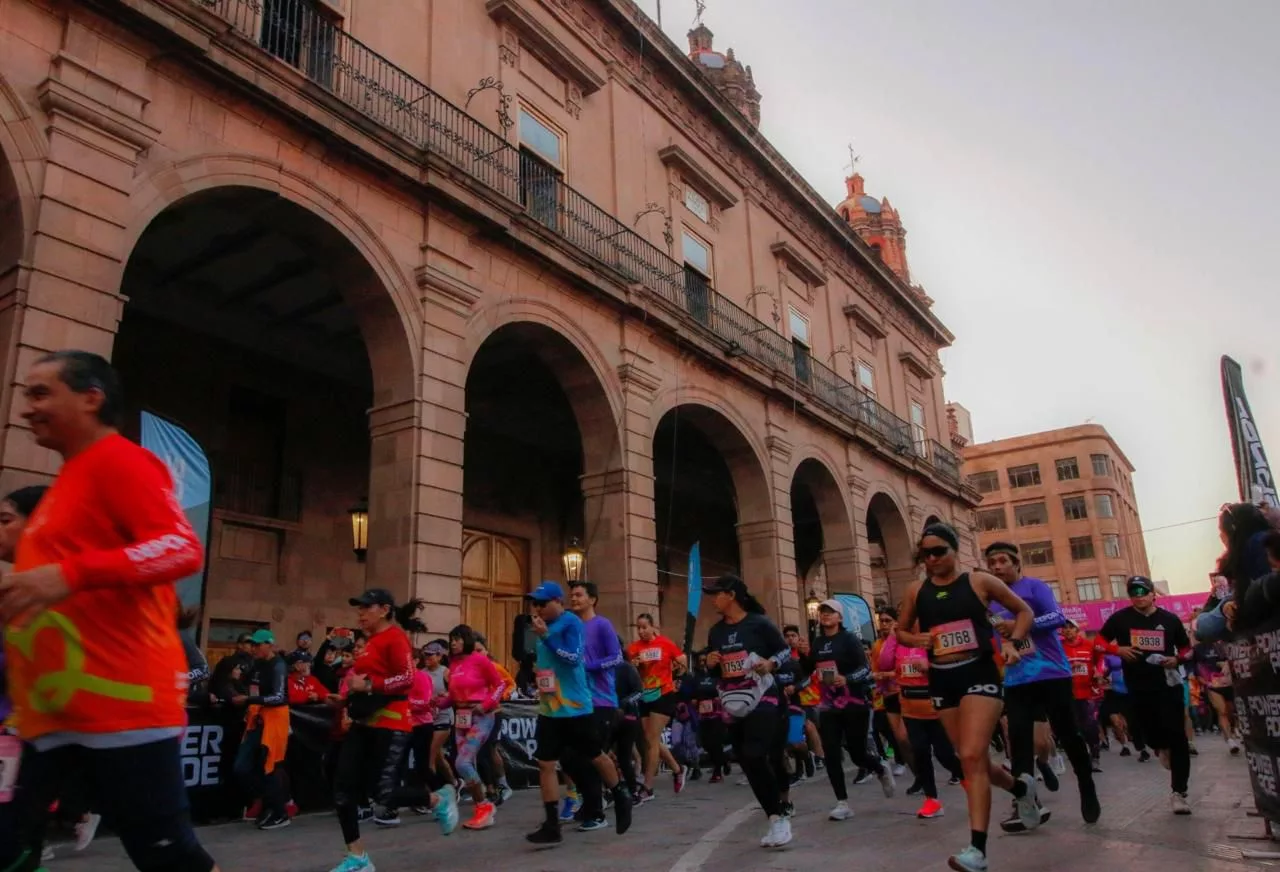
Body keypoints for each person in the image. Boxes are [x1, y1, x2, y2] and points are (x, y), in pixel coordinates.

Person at [0, 350, 221, 872]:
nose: (27, 407)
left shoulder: (120, 461)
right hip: (52, 714)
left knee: (170, 858)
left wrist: (67, 575)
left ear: (90, 398)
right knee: (9, 850)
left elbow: (180, 548)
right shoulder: (69, 481)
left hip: (122, 707)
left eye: (41, 393)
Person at [896, 522, 1036, 872]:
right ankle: (1021, 789)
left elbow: (1024, 611)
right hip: (941, 678)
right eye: (925, 554)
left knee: (972, 755)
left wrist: (1013, 642)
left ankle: (977, 850)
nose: (931, 559)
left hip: (979, 673)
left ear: (954, 550)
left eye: (938, 551)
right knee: (970, 760)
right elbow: (901, 631)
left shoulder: (979, 582)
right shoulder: (916, 590)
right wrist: (915, 640)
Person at [329, 589, 457, 872]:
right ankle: (357, 857)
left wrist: (369, 686)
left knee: (383, 793)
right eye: (359, 608)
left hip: (390, 725)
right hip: (363, 724)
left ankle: (436, 798)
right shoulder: (371, 642)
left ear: (384, 609)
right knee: (343, 790)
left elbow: (407, 678)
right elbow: (366, 682)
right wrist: (345, 700)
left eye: (366, 608)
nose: (361, 613)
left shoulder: (395, 638)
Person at [984, 541, 1100, 831]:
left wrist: (1020, 625)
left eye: (1002, 561)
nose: (997, 567)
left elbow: (1057, 617)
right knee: (1018, 741)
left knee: (1068, 733)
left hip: (1051, 673)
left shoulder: (1034, 587)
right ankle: (1026, 804)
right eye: (991, 563)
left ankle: (1086, 784)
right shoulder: (990, 600)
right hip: (1016, 678)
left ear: (1016, 563)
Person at [523, 581, 631, 844]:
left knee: (594, 755)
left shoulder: (572, 623)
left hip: (576, 707)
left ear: (557, 602)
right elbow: (541, 660)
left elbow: (573, 659)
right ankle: (552, 824)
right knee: (546, 763)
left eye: (542, 603)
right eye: (534, 604)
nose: (537, 608)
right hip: (550, 708)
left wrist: (546, 637)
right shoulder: (540, 627)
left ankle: (620, 795)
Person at [703, 574, 793, 848]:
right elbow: (715, 670)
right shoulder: (716, 632)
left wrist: (771, 664)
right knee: (746, 758)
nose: (712, 600)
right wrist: (710, 663)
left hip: (763, 697)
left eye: (716, 594)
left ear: (731, 595)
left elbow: (785, 652)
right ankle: (774, 816)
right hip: (732, 701)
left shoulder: (759, 623)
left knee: (756, 753)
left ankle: (781, 813)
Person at [1098, 576, 1194, 815]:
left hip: (1168, 685)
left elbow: (1186, 649)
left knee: (1178, 736)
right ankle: (1159, 746)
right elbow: (1098, 643)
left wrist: (1177, 659)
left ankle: (1179, 792)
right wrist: (1117, 649)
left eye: (1143, 591)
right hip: (1137, 688)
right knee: (1146, 731)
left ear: (1153, 594)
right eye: (1133, 592)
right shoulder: (1120, 619)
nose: (1138, 596)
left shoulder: (1170, 619)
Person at [801, 599, 894, 822]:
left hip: (854, 702)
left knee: (857, 752)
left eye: (830, 612)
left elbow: (865, 669)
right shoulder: (818, 642)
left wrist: (847, 679)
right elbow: (808, 669)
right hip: (828, 706)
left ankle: (879, 767)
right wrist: (805, 655)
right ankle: (842, 802)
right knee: (831, 752)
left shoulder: (849, 639)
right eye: (823, 612)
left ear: (840, 617)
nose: (825, 615)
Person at [568, 581, 624, 830]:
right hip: (574, 700)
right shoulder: (570, 627)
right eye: (572, 595)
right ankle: (593, 800)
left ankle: (597, 811)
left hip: (601, 700)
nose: (574, 598)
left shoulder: (602, 624)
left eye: (579, 595)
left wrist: (588, 666)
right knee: (568, 757)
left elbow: (616, 657)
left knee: (589, 755)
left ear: (593, 599)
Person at [446, 624, 506, 830]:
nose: (453, 643)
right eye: (451, 640)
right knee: (462, 763)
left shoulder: (480, 660)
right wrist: (438, 703)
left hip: (481, 717)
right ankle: (482, 807)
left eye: (457, 639)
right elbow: (453, 694)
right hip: (461, 718)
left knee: (462, 762)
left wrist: (486, 704)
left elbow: (500, 685)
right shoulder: (454, 663)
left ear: (467, 640)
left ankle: (485, 805)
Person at [896, 635, 964, 818]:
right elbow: (885, 663)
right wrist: (894, 638)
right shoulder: (899, 641)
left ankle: (969, 781)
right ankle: (931, 800)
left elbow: (954, 664)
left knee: (945, 755)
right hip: (910, 708)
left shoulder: (932, 635)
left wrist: (931, 667)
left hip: (936, 707)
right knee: (920, 752)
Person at [233, 628, 292, 830]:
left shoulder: (278, 665)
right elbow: (248, 685)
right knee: (242, 766)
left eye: (258, 645)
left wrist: (250, 699)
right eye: (253, 645)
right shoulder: (256, 664)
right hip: (257, 719)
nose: (254, 648)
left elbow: (279, 696)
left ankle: (279, 811)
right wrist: (237, 679)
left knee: (270, 765)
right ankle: (266, 802)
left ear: (269, 645)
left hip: (274, 719)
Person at [626, 614, 687, 801]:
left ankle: (648, 787)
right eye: (638, 628)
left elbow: (683, 659)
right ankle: (677, 769)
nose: (641, 631)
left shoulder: (665, 643)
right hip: (644, 695)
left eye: (645, 627)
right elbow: (626, 669)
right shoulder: (633, 648)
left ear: (653, 627)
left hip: (664, 694)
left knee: (651, 740)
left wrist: (678, 674)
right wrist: (633, 665)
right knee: (648, 739)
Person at [1060, 621, 1105, 770]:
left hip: (1089, 693)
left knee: (1090, 724)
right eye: (1064, 628)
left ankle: (1095, 756)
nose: (1067, 631)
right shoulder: (1059, 647)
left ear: (1077, 630)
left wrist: (1099, 672)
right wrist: (1069, 667)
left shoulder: (1089, 645)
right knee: (1075, 726)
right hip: (1069, 693)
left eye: (1071, 628)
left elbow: (1101, 660)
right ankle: (1082, 756)